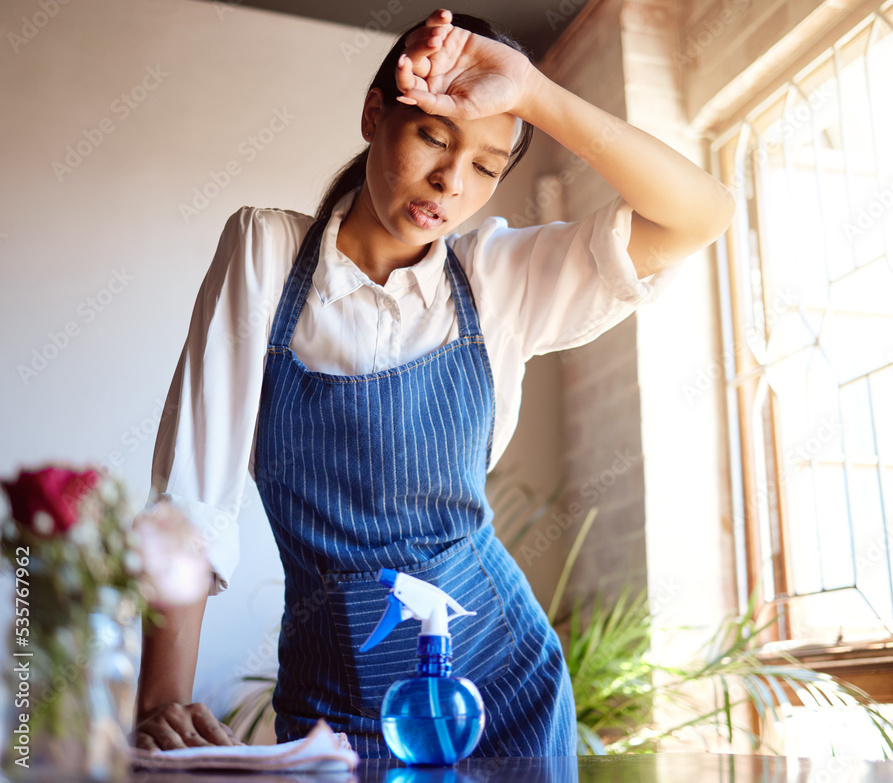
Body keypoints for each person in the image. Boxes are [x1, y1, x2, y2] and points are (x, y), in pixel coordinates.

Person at [132, 8, 734, 757]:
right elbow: (191, 502)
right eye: (434, 137)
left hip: (505, 688)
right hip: (332, 706)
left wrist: (534, 91)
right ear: (374, 115)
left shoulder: (496, 279)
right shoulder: (267, 253)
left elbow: (699, 215)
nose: (451, 182)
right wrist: (161, 701)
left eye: (486, 166)